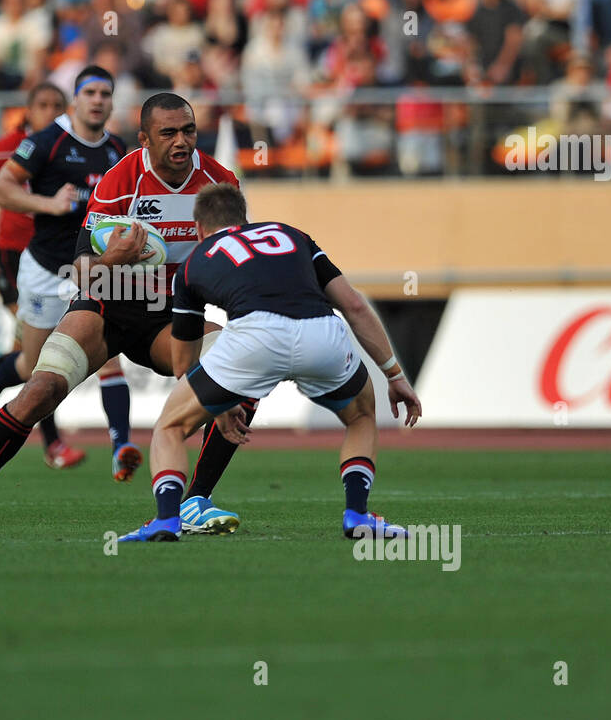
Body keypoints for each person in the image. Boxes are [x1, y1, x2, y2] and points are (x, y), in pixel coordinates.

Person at [0, 93, 252, 538]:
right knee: (39, 390)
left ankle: (196, 500)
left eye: (189, 131)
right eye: (169, 133)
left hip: (170, 318)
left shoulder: (219, 182)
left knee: (242, 370)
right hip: (107, 304)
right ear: (143, 139)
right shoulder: (120, 180)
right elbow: (83, 271)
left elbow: (236, 259)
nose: (182, 141)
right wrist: (115, 257)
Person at [119, 184, 422, 542]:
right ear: (246, 219)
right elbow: (353, 306)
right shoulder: (291, 234)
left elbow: (184, 361)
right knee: (360, 416)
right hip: (320, 332)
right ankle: (358, 515)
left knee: (169, 427)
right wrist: (395, 375)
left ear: (199, 229)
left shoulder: (193, 263)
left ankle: (168, 519)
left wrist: (217, 405)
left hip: (254, 336)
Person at [0, 66, 134, 479]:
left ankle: (121, 446)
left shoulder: (118, 149)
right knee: (34, 365)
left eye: (105, 93)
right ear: (76, 100)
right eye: (90, 92)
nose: (97, 100)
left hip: (92, 269)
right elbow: (3, 190)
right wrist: (49, 204)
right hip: (43, 268)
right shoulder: (46, 142)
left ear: (112, 102)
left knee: (110, 357)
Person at [0, 82, 83, 468]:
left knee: (32, 352)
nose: (51, 111)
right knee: (42, 351)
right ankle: (53, 444)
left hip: (56, 261)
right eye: (43, 105)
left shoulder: (72, 150)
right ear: (27, 110)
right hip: (12, 257)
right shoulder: (4, 149)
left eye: (58, 105)